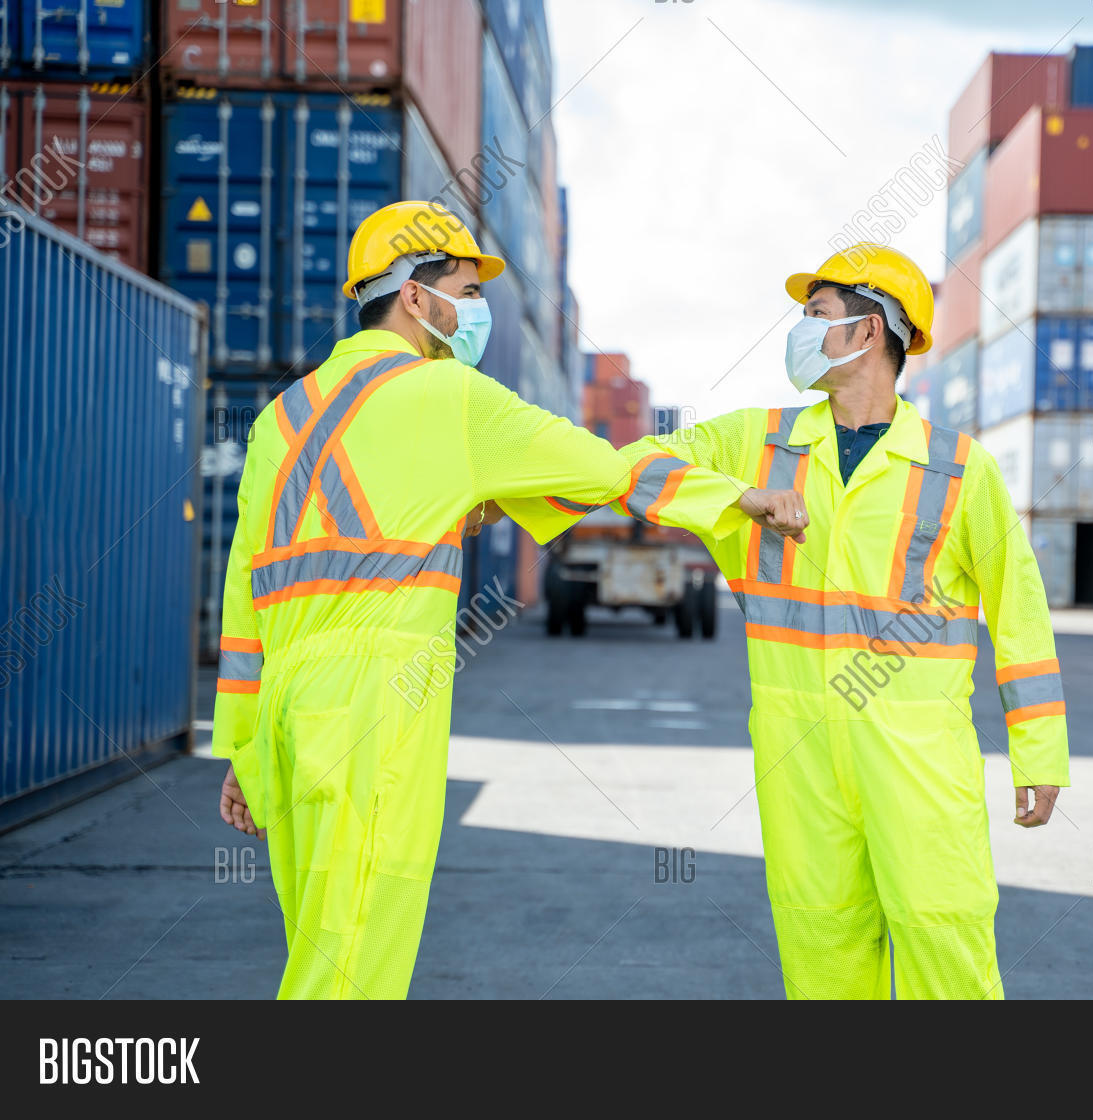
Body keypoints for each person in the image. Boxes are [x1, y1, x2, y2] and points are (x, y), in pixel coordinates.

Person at [212, 200, 808, 999]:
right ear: (416, 298)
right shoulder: (452, 396)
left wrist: (240, 751)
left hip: (285, 713)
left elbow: (245, 599)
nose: (478, 309)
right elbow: (608, 470)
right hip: (374, 707)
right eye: (467, 287)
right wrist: (737, 499)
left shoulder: (280, 418)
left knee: (322, 946)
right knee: (351, 970)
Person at [521, 242, 1070, 999]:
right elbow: (633, 469)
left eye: (816, 314)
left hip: (918, 759)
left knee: (945, 937)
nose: (801, 329)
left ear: (870, 332)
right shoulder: (759, 444)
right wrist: (737, 500)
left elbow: (1020, 612)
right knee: (821, 949)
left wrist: (1040, 754)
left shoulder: (958, 469)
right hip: (799, 757)